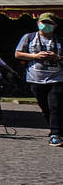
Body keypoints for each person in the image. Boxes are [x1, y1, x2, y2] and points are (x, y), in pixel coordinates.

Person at [15, 12, 62, 146]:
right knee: (45, 107)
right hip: (35, 79)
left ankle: (55, 134)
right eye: (43, 23)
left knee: (55, 106)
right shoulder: (29, 37)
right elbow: (17, 54)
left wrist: (57, 57)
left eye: (49, 23)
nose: (46, 26)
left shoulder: (60, 40)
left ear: (55, 25)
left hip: (56, 78)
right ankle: (55, 128)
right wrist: (35, 56)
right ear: (38, 24)